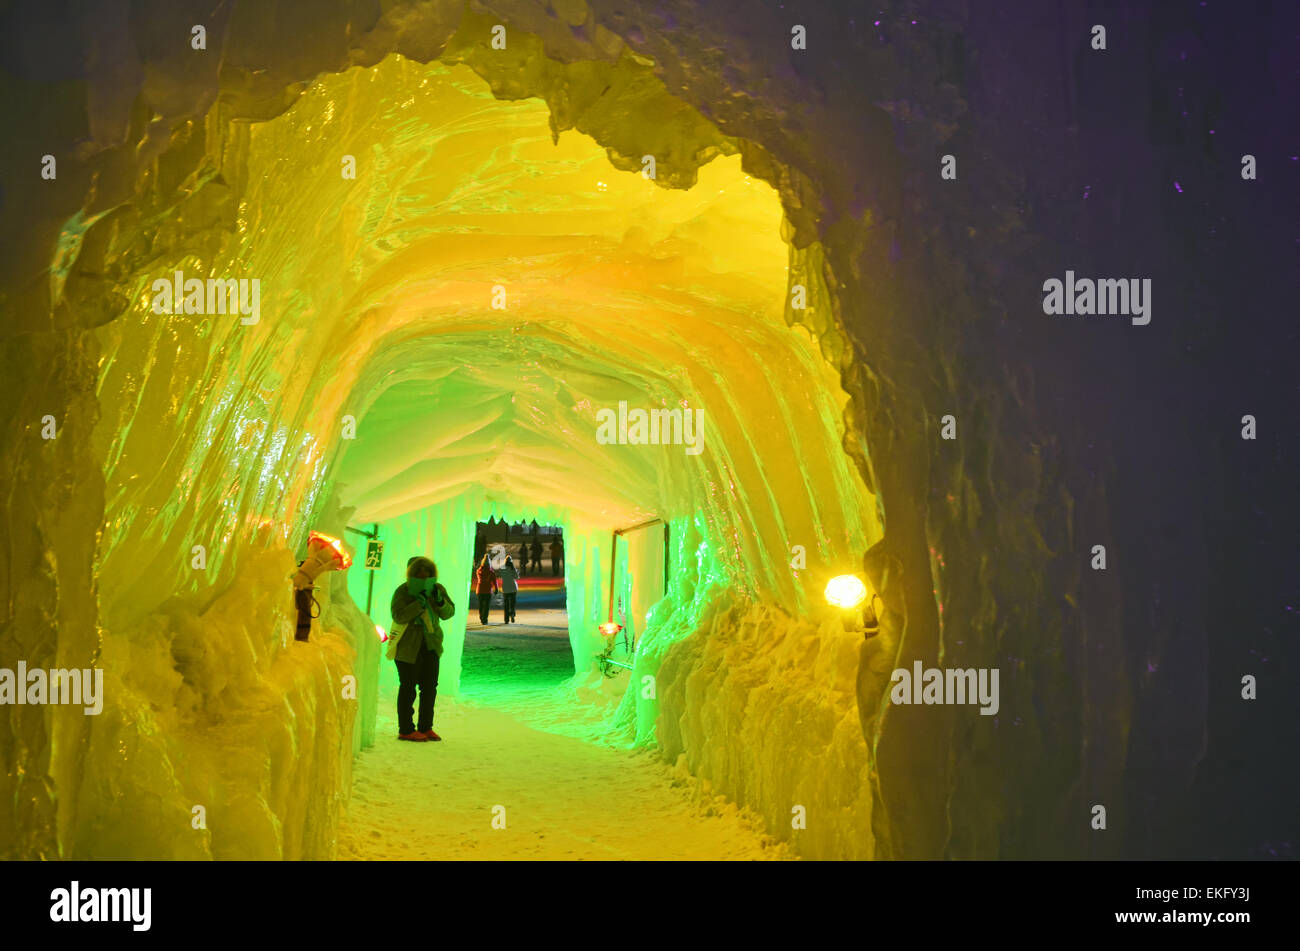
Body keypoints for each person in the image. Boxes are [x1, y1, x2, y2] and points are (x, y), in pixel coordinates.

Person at [387, 556, 455, 742]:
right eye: (420, 577)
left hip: (431, 645)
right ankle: (406, 729)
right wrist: (418, 604)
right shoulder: (403, 591)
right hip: (408, 648)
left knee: (429, 688)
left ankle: (426, 727)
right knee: (408, 688)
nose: (424, 580)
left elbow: (449, 613)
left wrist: (439, 601)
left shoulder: (437, 589)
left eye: (428, 577)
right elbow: (398, 616)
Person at [474, 554, 499, 625]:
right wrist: (496, 589)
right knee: (486, 606)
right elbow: (494, 581)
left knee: (481, 605)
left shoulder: (478, 571)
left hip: (479, 590)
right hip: (488, 590)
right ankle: (485, 619)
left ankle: (481, 617)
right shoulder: (491, 572)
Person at [499, 556, 520, 623]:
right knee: (512, 603)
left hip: (505, 588)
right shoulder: (513, 568)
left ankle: (506, 619)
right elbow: (516, 577)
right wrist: (517, 572)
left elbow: (500, 576)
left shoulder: (502, 568)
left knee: (506, 604)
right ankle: (512, 614)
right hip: (513, 588)